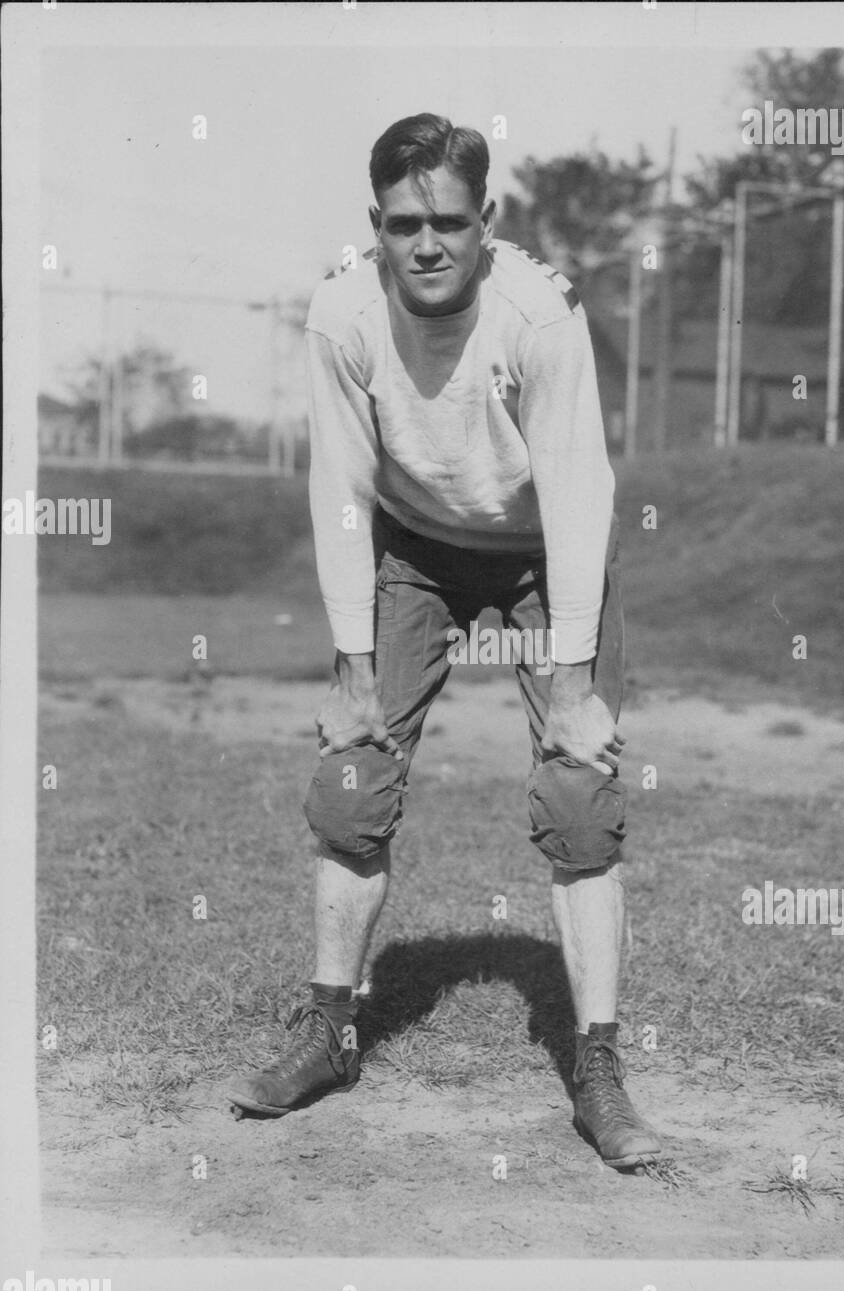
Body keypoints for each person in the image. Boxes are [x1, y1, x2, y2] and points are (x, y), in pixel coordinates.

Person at [227, 113, 666, 1168]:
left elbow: (576, 493)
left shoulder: (539, 315)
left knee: (577, 791)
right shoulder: (341, 314)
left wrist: (569, 682)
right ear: (374, 225)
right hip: (413, 548)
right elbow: (340, 490)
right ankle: (331, 1032)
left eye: (450, 223)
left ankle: (597, 1063)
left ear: (488, 222)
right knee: (349, 781)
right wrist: (349, 667)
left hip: (535, 551)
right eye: (404, 223)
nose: (428, 244)